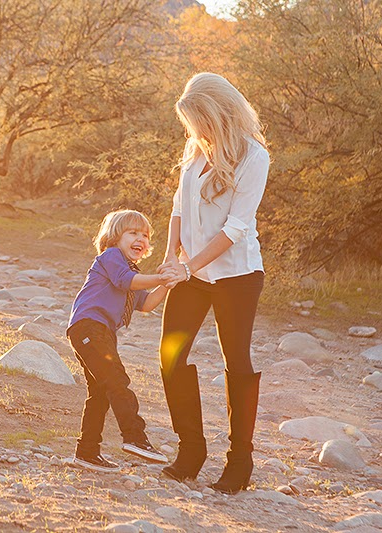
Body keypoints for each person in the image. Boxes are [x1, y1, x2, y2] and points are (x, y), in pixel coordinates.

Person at [157, 72, 270, 494]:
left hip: (236, 275)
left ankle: (239, 460)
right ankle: (191, 451)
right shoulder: (193, 148)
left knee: (236, 360)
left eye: (199, 123)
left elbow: (237, 228)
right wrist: (172, 258)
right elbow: (179, 206)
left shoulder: (254, 157)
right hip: (191, 273)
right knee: (171, 355)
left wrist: (189, 266)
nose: (195, 132)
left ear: (217, 114)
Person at [67, 209, 182, 472]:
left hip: (99, 333)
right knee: (118, 382)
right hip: (89, 327)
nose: (140, 239)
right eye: (132, 233)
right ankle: (134, 437)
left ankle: (86, 452)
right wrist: (161, 277)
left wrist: (169, 282)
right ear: (115, 237)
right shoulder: (111, 257)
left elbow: (148, 303)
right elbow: (126, 281)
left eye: (145, 235)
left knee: (100, 393)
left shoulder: (132, 272)